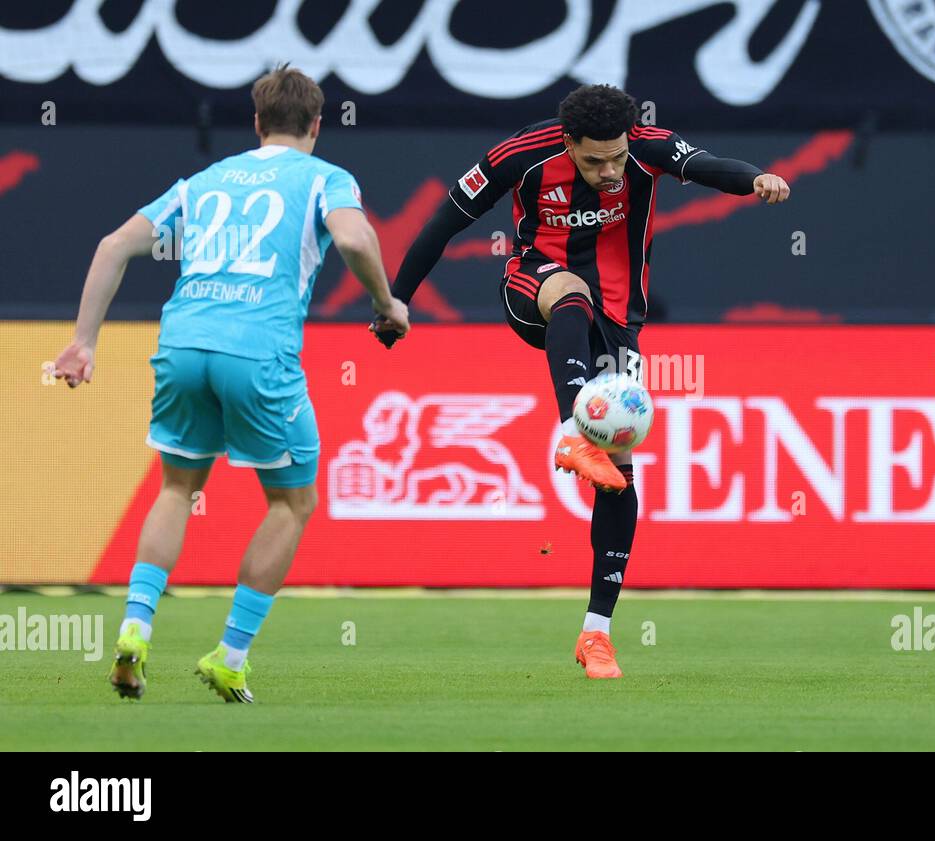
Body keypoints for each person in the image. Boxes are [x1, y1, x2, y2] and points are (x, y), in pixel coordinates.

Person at [375, 84, 790, 678]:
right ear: (568, 142)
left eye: (617, 156)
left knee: (619, 479)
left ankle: (597, 635)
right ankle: (571, 431)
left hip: (618, 324)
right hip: (534, 283)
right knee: (571, 292)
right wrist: (396, 304)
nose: (609, 170)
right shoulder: (524, 154)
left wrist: (755, 178)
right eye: (594, 160)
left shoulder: (648, 147)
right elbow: (442, 221)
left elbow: (708, 167)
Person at [54, 65, 410, 703]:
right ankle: (231, 654)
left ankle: (135, 629)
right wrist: (386, 303)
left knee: (176, 487)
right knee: (291, 503)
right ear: (317, 125)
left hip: (183, 344)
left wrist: (84, 343)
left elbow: (112, 245)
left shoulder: (206, 181)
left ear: (256, 123)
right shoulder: (326, 178)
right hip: (258, 353)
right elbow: (355, 236)